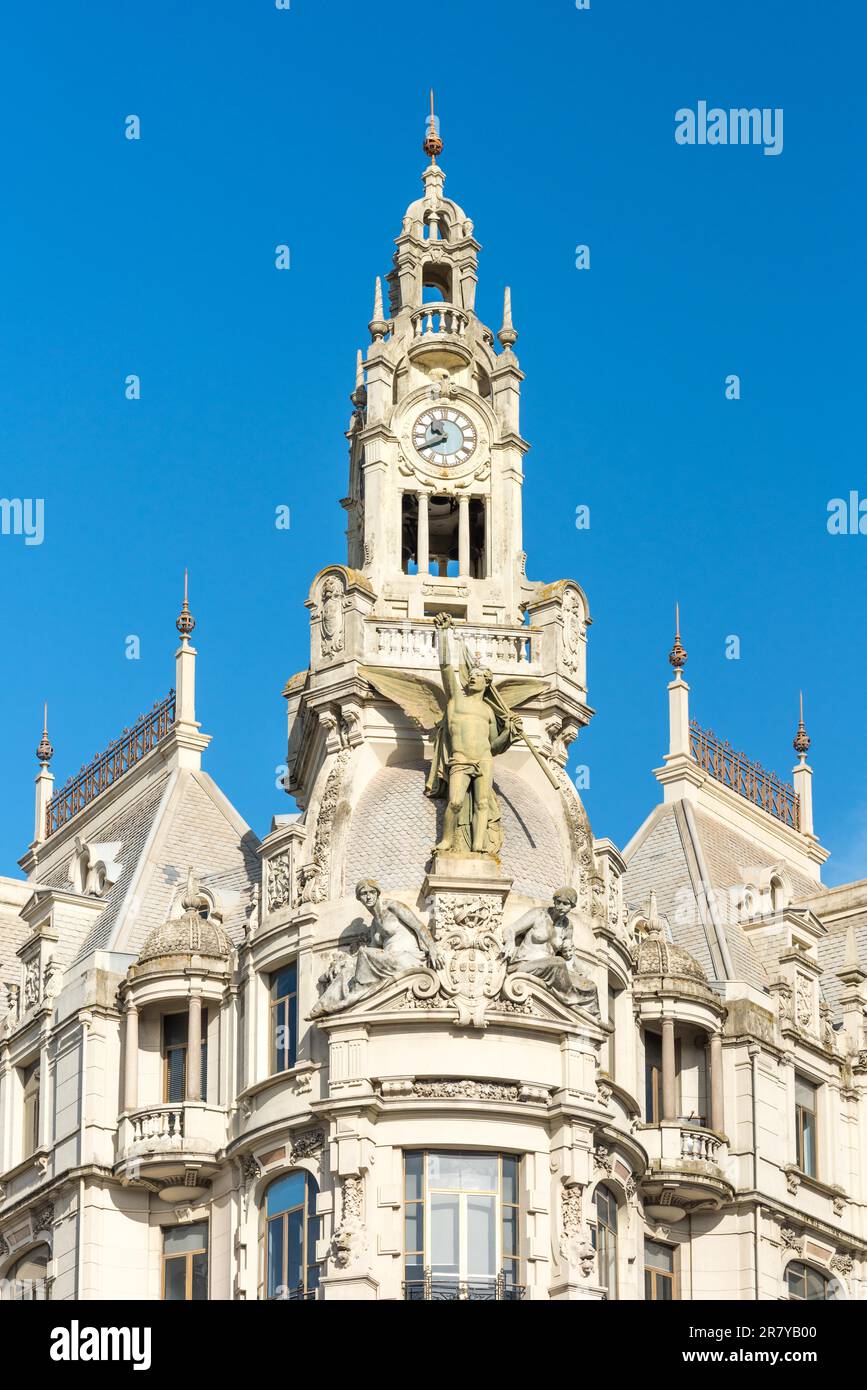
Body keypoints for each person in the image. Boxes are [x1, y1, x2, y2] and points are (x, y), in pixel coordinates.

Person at [311, 879, 441, 1016]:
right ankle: (323, 1006)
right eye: (364, 893)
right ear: (359, 898)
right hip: (390, 961)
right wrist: (345, 963)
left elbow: (418, 926)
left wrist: (433, 949)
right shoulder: (374, 924)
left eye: (372, 892)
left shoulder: (392, 906)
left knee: (363, 953)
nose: (368, 896)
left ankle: (354, 997)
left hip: (407, 957)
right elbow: (371, 952)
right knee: (348, 970)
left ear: (377, 893)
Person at [504, 887, 599, 1014]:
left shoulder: (568, 926)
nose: (560, 906)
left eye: (565, 904)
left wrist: (567, 952)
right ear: (554, 901)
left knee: (591, 987)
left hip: (552, 969)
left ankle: (593, 1022)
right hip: (525, 964)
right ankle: (570, 1000)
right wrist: (510, 942)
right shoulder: (539, 914)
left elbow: (567, 955)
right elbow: (510, 930)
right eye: (558, 902)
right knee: (558, 963)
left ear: (572, 906)